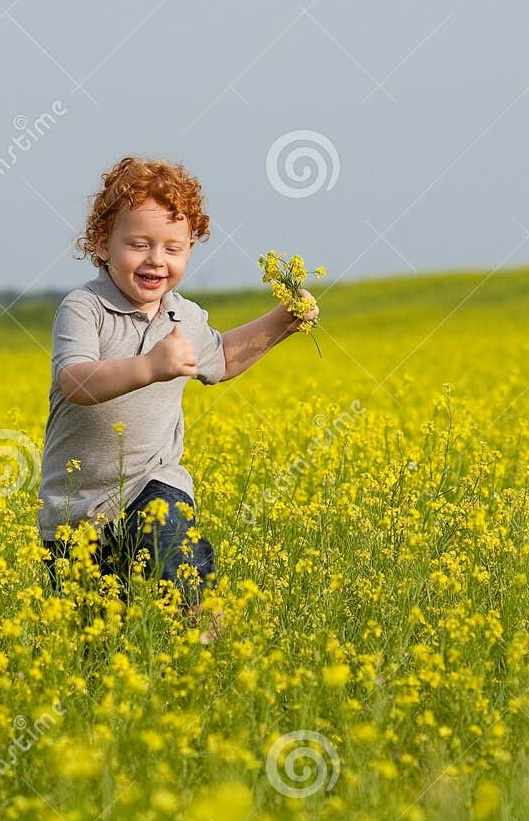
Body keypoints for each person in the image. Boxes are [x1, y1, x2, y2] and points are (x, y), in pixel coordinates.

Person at [36, 155, 318, 641]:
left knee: (174, 548)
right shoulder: (84, 308)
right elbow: (75, 381)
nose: (156, 260)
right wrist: (148, 367)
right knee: (93, 643)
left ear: (190, 249)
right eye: (138, 244)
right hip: (75, 510)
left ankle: (206, 638)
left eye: (173, 248)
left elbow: (222, 359)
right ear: (102, 243)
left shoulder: (183, 315)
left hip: (151, 479)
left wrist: (281, 323)